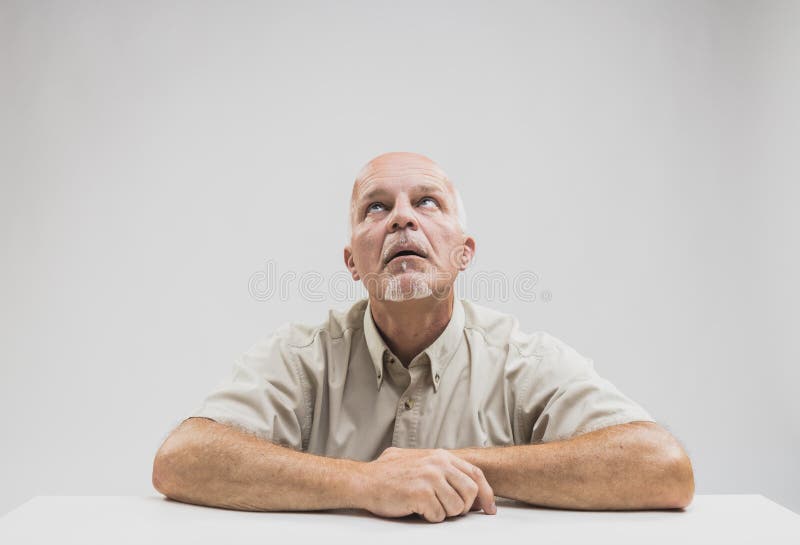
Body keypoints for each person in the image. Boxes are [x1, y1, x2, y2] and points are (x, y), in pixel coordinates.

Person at [152, 152, 694, 523]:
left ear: (465, 252)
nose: (401, 220)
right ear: (352, 262)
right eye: (377, 207)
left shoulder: (519, 360)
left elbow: (663, 469)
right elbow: (182, 459)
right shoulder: (303, 355)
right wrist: (366, 483)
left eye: (427, 202)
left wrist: (451, 465)